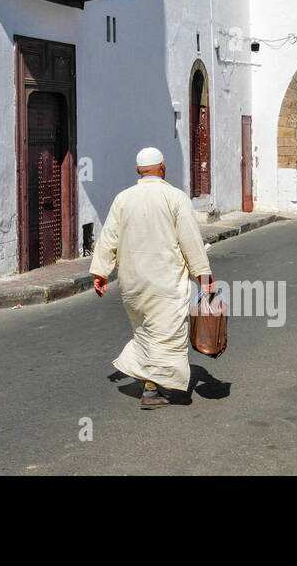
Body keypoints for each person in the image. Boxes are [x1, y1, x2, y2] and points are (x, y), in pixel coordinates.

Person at [91, 146, 213, 410]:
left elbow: (108, 237)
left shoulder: (123, 199)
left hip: (132, 283)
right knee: (166, 336)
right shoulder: (175, 197)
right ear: (163, 167)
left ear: (137, 170)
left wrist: (100, 271)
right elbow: (190, 240)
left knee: (146, 332)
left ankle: (150, 384)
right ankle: (151, 389)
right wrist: (203, 275)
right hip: (165, 282)